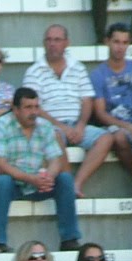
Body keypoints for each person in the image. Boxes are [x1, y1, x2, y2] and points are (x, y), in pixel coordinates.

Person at [0, 87, 82, 252]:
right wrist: (32, 179)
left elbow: (56, 160)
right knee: (3, 181)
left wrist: (48, 178)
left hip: (35, 183)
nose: (34, 112)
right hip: (3, 183)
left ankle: (69, 239)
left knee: (64, 178)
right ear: (15, 109)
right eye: (28, 107)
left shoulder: (45, 126)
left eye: (36, 107)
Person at [23, 24, 114, 198]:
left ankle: (76, 184)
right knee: (55, 136)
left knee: (106, 138)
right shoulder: (34, 71)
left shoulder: (77, 67)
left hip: (76, 123)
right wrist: (61, 127)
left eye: (57, 40)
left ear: (66, 43)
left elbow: (87, 99)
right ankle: (67, 188)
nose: (52, 44)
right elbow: (33, 107)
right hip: (51, 126)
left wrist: (81, 125)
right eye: (49, 40)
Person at [89, 25, 132, 185]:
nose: (120, 47)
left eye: (125, 42)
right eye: (116, 42)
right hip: (114, 124)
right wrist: (128, 127)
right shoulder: (98, 74)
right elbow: (101, 113)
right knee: (119, 137)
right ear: (107, 42)